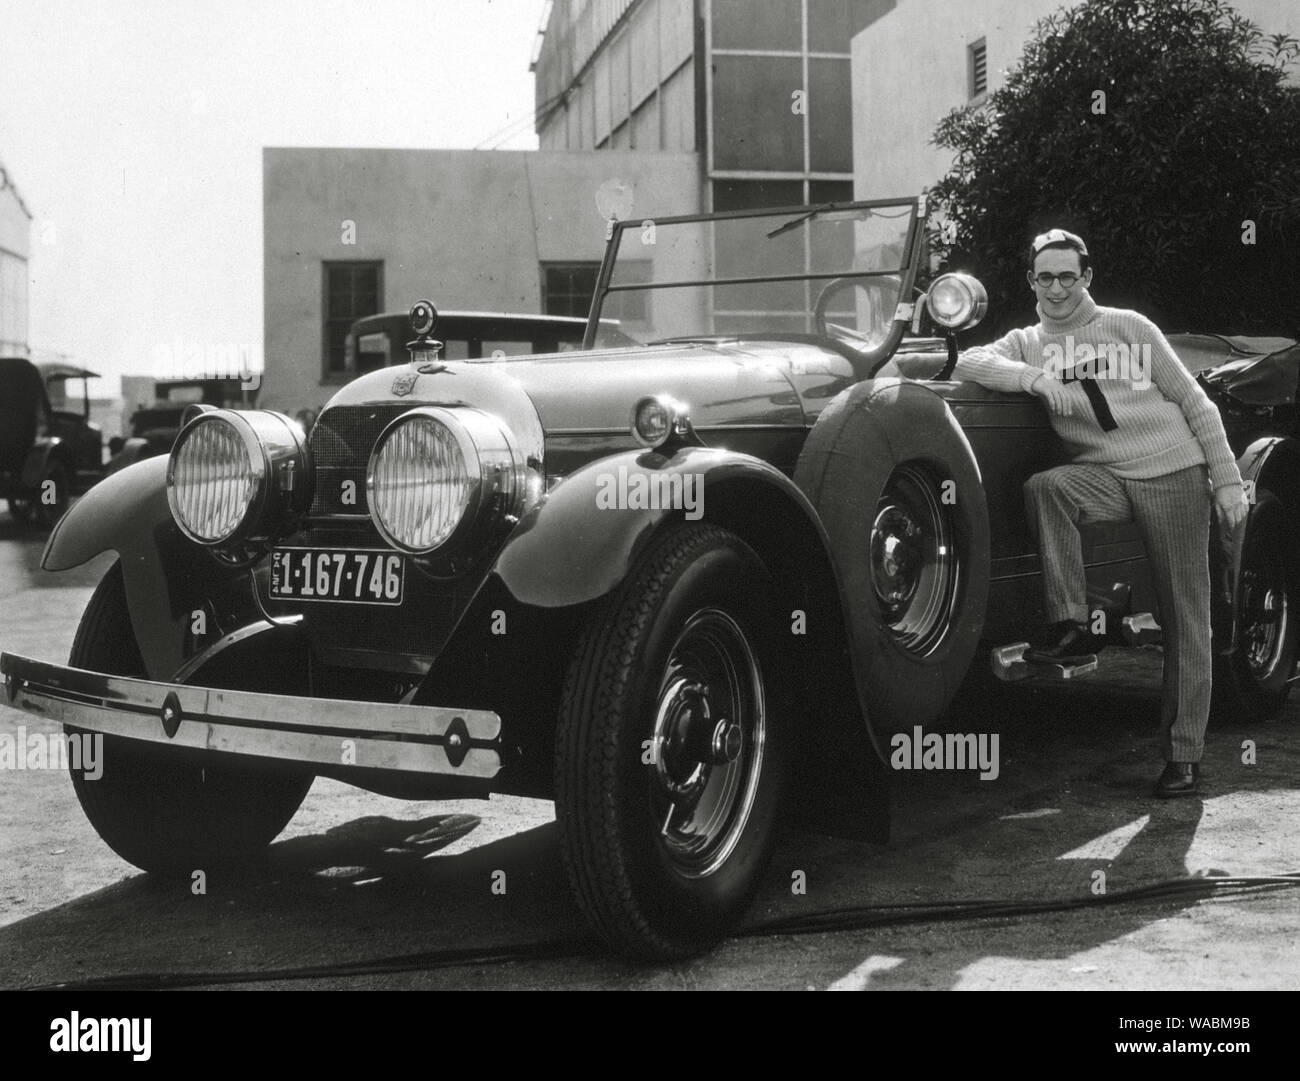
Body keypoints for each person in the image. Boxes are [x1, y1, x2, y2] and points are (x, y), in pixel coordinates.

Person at [953, 228, 1248, 798]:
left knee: (1185, 616)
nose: (1057, 288)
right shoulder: (1028, 340)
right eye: (1045, 277)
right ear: (1031, 281)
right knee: (1048, 487)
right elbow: (969, 361)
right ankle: (1072, 626)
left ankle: (1183, 755)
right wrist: (1032, 377)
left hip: (1172, 473)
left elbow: (1197, 403)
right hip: (1109, 477)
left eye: (1068, 276)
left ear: (1086, 278)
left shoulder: (1128, 327)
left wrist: (1228, 481)